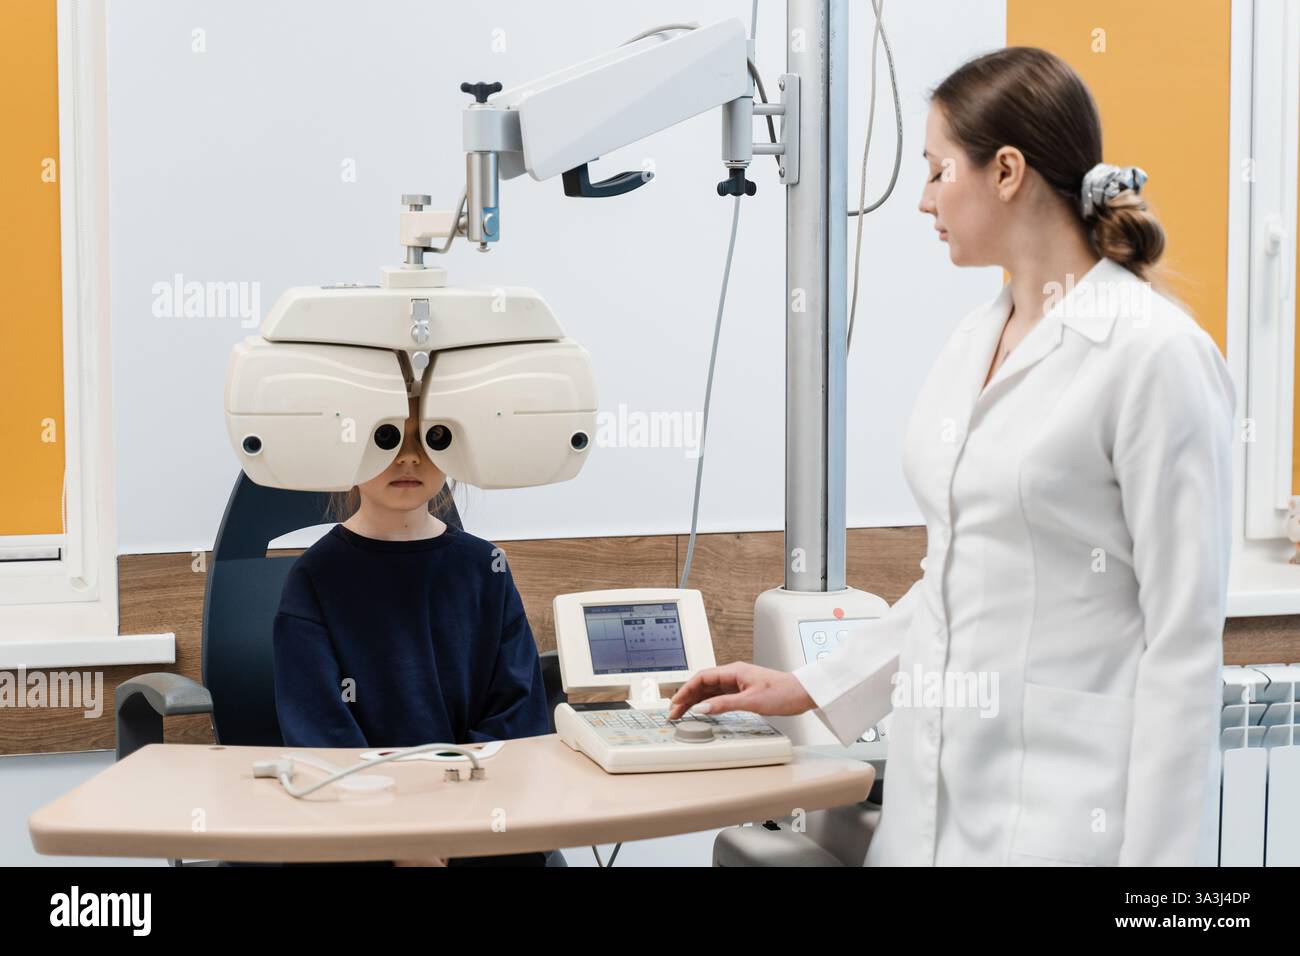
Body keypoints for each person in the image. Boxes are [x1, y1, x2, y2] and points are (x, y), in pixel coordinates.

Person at [669, 46, 1235, 866]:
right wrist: (812, 686)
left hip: (1070, 819)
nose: (924, 199)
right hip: (933, 810)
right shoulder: (977, 337)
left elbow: (1184, 647)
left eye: (938, 171)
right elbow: (957, 575)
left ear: (1006, 171)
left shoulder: (1153, 355)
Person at [273, 396, 552, 866]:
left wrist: (448, 832)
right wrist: (401, 843)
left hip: (478, 827)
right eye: (387, 438)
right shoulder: (315, 578)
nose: (408, 456)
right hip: (360, 833)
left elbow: (516, 718)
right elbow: (320, 735)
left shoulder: (487, 569)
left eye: (430, 438)